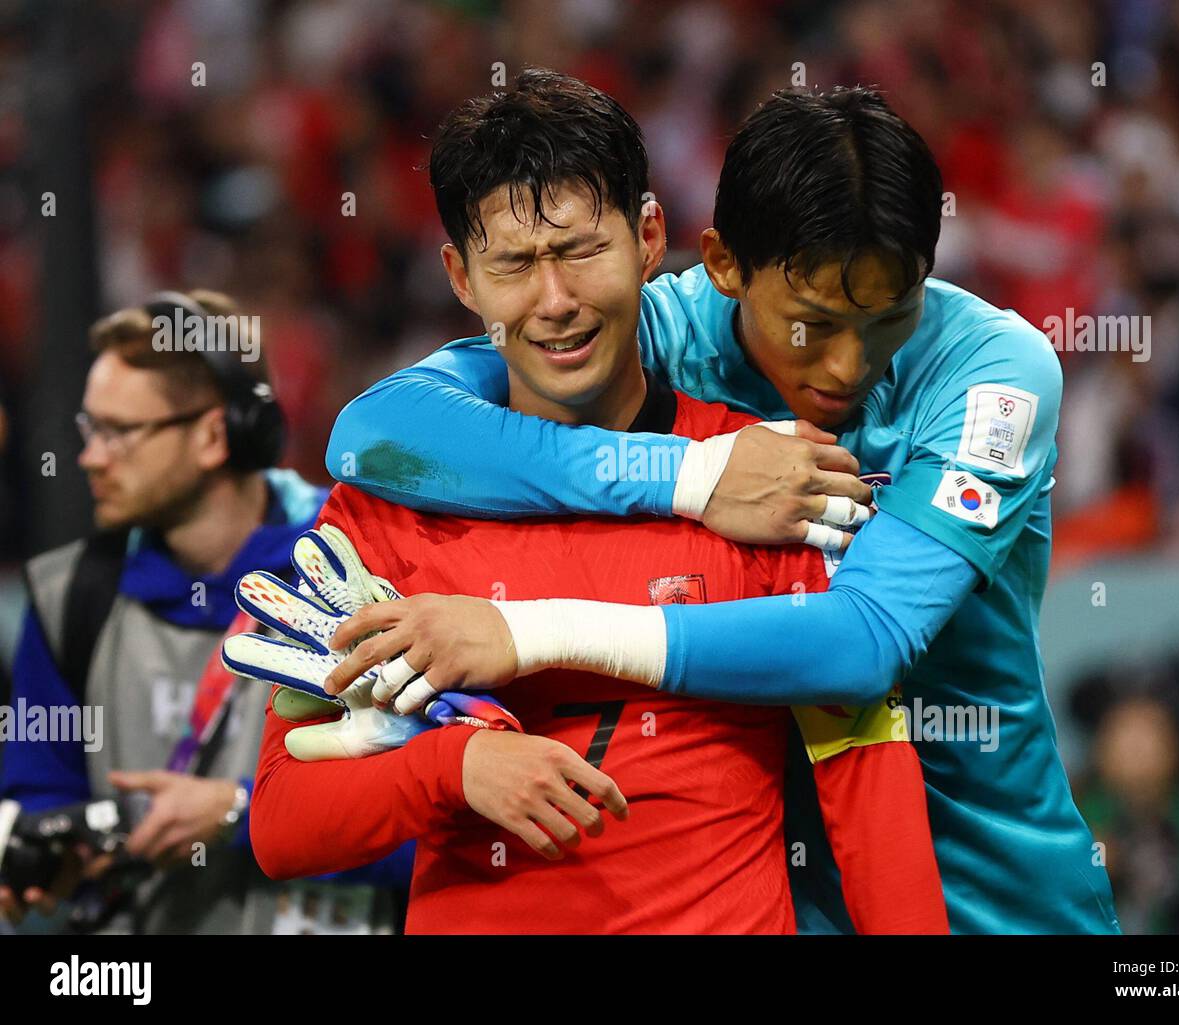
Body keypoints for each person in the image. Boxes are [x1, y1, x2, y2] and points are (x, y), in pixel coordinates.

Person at [323, 80, 1120, 935]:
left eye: (890, 315)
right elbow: (372, 435)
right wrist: (687, 475)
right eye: (812, 323)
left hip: (996, 896)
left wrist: (533, 633)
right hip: (776, 900)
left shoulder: (993, 374)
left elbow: (862, 642)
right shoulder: (656, 329)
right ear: (724, 265)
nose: (850, 366)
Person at [238, 69, 946, 934]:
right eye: (514, 264)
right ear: (462, 277)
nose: (556, 302)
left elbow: (867, 780)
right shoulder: (384, 509)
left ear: (649, 237)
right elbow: (278, 822)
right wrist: (457, 769)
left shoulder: (770, 483)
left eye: (581, 250)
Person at [0, 290, 404, 933]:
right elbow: (38, 787)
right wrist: (44, 850)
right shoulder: (67, 594)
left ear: (216, 434)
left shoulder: (362, 566)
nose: (90, 458)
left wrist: (240, 816)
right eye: (88, 428)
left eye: (118, 433)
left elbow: (428, 828)